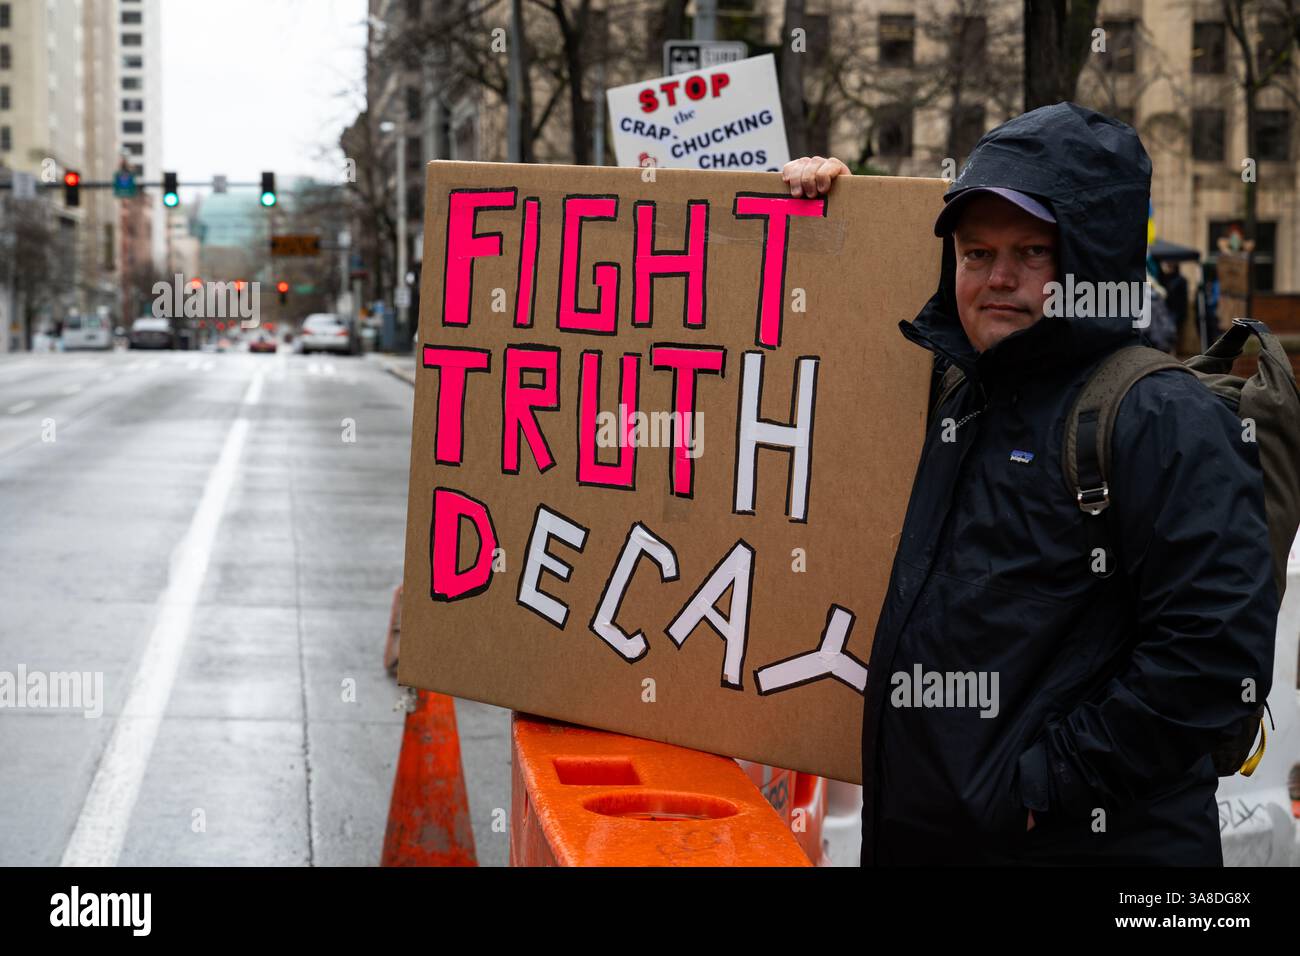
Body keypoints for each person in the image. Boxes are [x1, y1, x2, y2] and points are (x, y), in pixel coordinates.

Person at [783, 103, 1278, 865]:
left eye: (1031, 252)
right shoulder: (959, 393)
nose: (998, 278)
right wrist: (842, 209)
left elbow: (1212, 656)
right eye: (976, 254)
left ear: (1092, 259)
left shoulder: (1158, 414)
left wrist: (1044, 789)